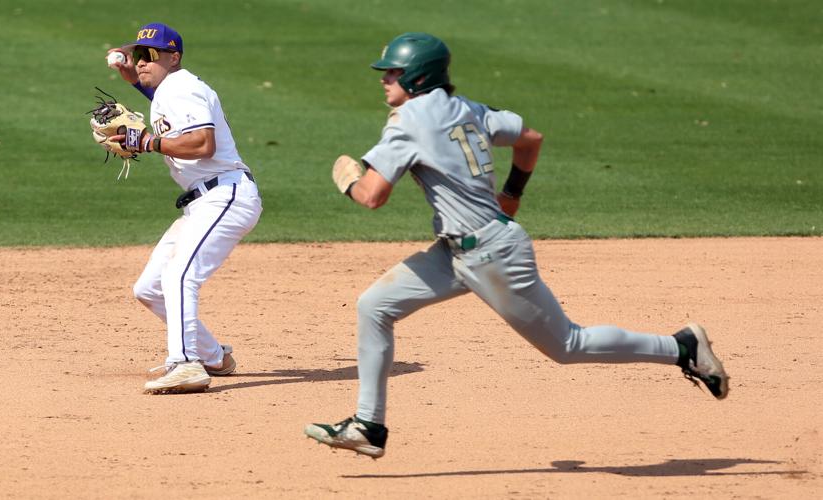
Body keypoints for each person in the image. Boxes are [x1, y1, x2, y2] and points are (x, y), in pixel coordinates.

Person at [304, 32, 729, 458]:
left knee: (568, 346)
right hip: (455, 252)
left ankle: (681, 348)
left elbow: (373, 196)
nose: (384, 79)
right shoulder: (466, 108)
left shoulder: (409, 119)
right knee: (375, 306)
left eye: (392, 72)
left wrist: (347, 181)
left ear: (417, 77)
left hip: (491, 255)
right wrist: (512, 194)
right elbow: (530, 138)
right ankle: (368, 425)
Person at [106, 23, 263, 393]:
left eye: (150, 55)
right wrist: (133, 78)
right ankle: (212, 356)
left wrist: (146, 142)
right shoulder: (170, 90)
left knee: (178, 275)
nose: (142, 61)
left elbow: (202, 143)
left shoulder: (183, 87)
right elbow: (169, 109)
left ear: (173, 57)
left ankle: (185, 363)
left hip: (226, 196)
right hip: (204, 200)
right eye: (138, 54)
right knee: (149, 288)